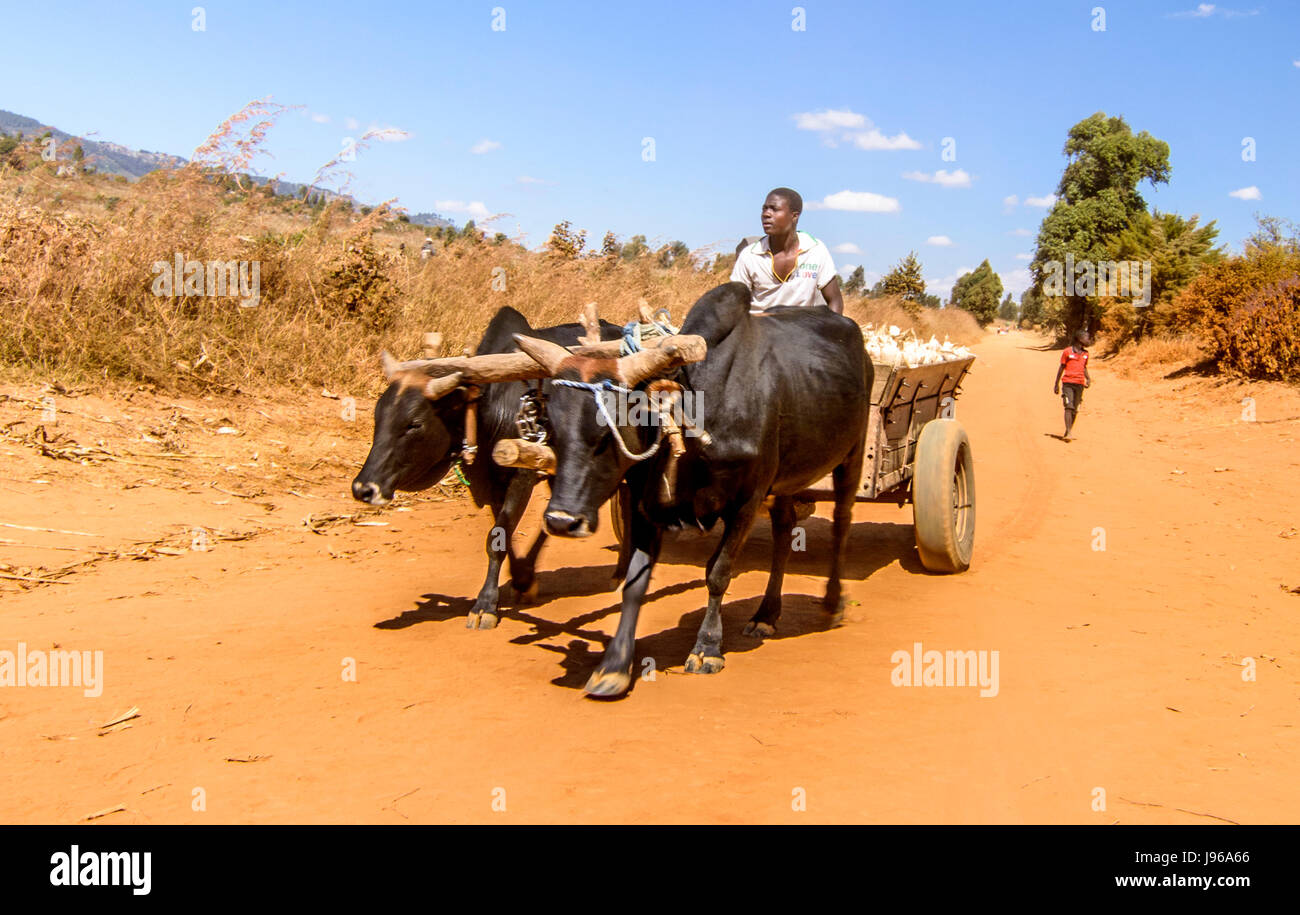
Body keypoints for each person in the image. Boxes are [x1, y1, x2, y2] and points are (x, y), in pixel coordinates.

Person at [730, 188, 843, 313]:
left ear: (794, 216)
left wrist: (831, 331)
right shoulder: (750, 255)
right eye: (764, 208)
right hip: (759, 329)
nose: (766, 214)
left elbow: (835, 301)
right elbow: (735, 305)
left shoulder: (815, 250)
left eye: (774, 209)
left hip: (801, 328)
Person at [1053, 329, 1092, 440]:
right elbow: (1061, 367)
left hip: (1080, 384)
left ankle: (1068, 430)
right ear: (1080, 339)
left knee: (1075, 409)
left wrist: (1088, 378)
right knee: (1068, 407)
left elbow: (1084, 367)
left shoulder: (1086, 354)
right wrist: (1056, 384)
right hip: (1068, 383)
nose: (1088, 340)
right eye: (1087, 338)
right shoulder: (1067, 352)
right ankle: (1069, 432)